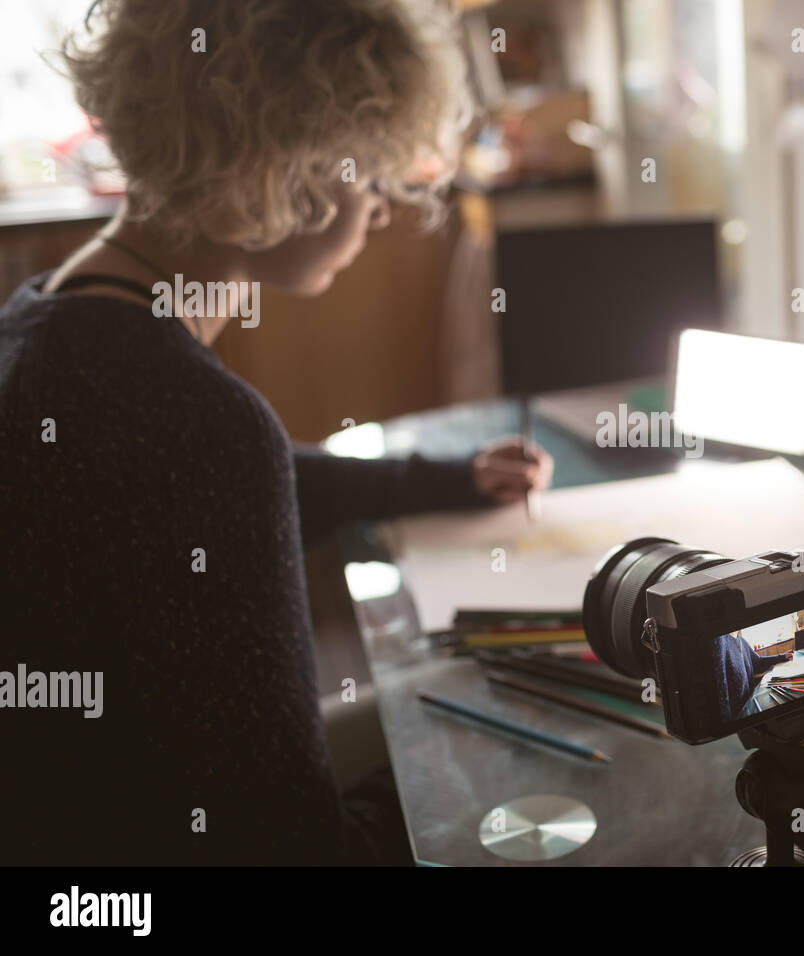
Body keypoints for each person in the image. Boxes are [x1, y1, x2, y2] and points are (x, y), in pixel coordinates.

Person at [0, 0, 552, 864]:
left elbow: (190, 486)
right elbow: (289, 846)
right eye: (368, 173)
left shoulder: (44, 319)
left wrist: (434, 479)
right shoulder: (194, 424)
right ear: (280, 164)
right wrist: (463, 762)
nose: (380, 210)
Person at [712, 632, 793, 722]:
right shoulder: (719, 640)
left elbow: (757, 663)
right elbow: (720, 694)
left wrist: (782, 657)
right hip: (738, 719)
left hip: (751, 708)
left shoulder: (741, 640)